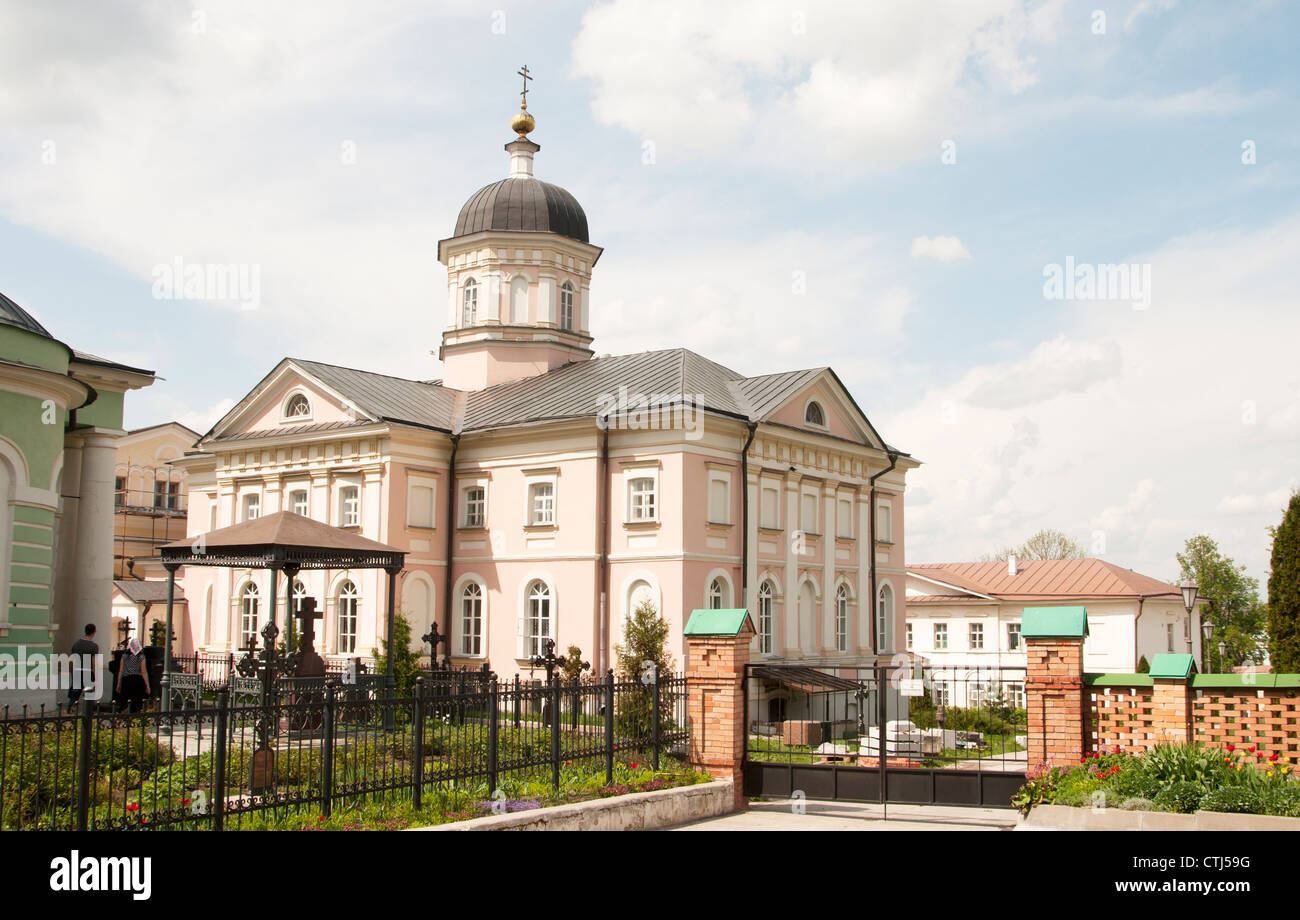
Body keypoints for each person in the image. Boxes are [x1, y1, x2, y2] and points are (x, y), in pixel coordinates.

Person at [67, 623, 98, 714]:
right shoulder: (93, 646)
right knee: (89, 694)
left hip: (77, 671)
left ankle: (70, 709)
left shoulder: (76, 644)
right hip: (88, 672)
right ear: (94, 632)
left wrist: (72, 672)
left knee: (75, 694)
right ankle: (88, 713)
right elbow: (93, 663)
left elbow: (72, 660)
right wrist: (96, 677)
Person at [116, 637, 150, 713]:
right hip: (137, 680)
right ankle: (134, 716)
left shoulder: (124, 656)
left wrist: (118, 683)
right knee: (136, 701)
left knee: (125, 701)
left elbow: (120, 670)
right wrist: (147, 685)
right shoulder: (141, 657)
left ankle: (124, 716)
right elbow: (144, 672)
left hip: (126, 680)